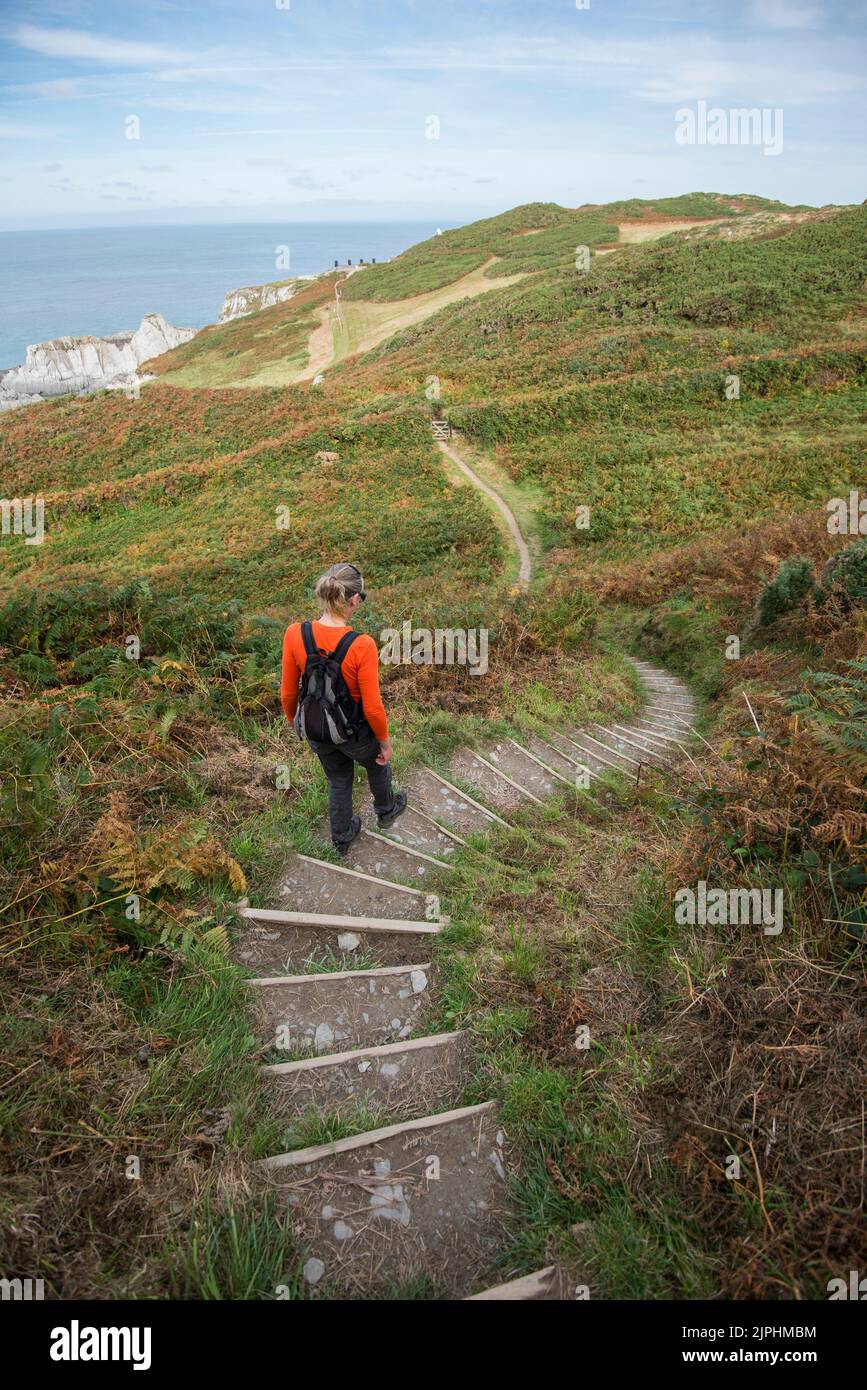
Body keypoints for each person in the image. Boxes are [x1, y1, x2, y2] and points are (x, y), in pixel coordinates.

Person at [281, 562, 407, 854]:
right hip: (354, 733)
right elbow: (373, 707)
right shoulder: (361, 645)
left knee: (338, 778)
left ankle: (341, 836)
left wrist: (294, 721)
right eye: (361, 598)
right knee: (377, 763)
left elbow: (288, 692)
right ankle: (386, 810)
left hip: (316, 729)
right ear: (353, 600)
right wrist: (385, 743)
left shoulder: (294, 634)